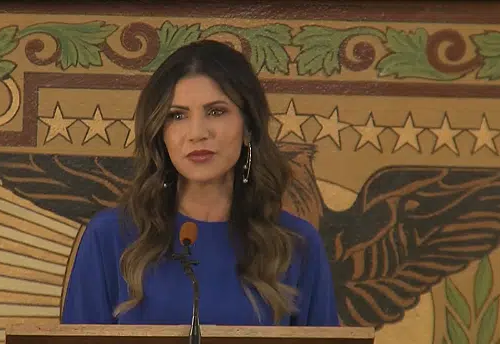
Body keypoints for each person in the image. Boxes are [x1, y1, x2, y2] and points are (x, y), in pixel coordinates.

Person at [61, 40, 339, 327]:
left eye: (216, 112)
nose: (197, 133)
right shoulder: (110, 237)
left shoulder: (296, 244)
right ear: (160, 134)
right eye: (177, 116)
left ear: (248, 127)